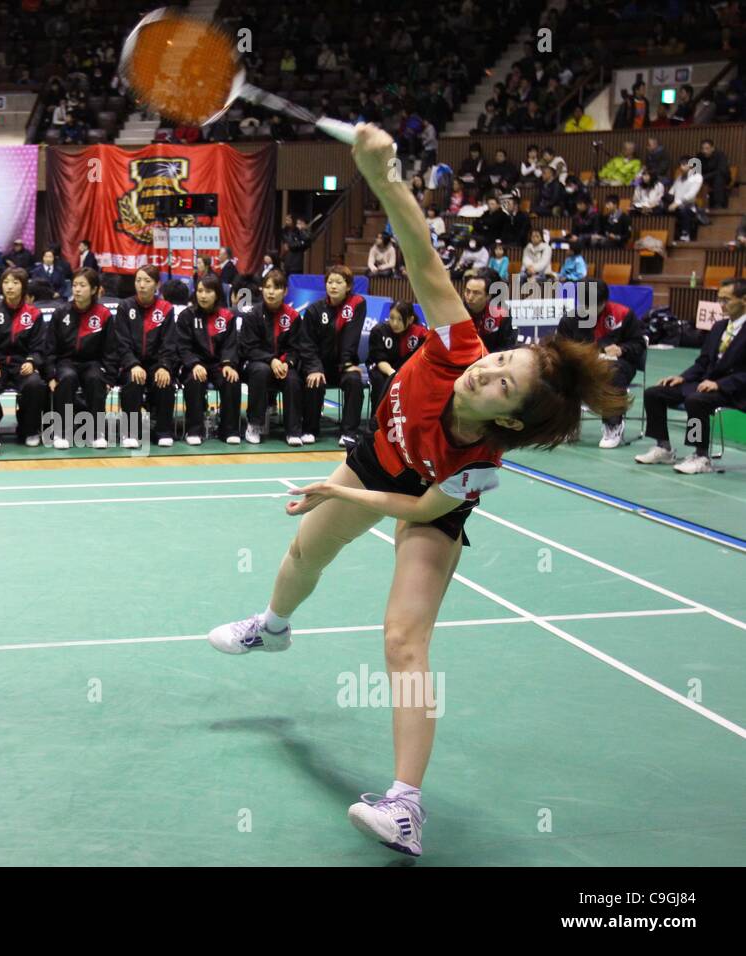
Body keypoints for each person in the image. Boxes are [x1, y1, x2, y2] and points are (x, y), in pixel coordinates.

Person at [206, 122, 626, 858]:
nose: (485, 371)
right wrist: (383, 174)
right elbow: (419, 247)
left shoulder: (482, 461)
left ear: (508, 417)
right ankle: (272, 627)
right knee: (304, 557)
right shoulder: (455, 343)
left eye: (501, 383)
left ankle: (404, 805)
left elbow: (418, 510)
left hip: (431, 496)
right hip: (380, 452)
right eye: (498, 359)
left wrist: (341, 496)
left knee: (405, 639)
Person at [634, 279, 746, 474]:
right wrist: (683, 377)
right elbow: (703, 362)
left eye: (726, 300)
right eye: (719, 299)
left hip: (734, 390)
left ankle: (701, 456)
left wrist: (719, 384)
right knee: (654, 393)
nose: (721, 305)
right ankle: (663, 447)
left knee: (696, 401)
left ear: (744, 300)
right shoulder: (719, 327)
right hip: (705, 384)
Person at [555, 280, 645, 449]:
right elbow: (560, 347)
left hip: (618, 365)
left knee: (612, 373)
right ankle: (568, 424)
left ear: (604, 302)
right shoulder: (570, 320)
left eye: (594, 306)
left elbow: (639, 344)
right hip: (584, 365)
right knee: (561, 373)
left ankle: (613, 425)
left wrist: (622, 349)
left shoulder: (623, 315)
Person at [0, 266, 49, 455]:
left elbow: (40, 347)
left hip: (21, 364)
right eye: (6, 282)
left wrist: (32, 362)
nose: (9, 286)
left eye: (15, 283)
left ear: (23, 287)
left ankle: (28, 430)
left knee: (35, 384)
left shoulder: (33, 315)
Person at [44, 266, 116, 449]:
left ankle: (96, 431)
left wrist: (109, 377)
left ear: (94, 290)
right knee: (67, 377)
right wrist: (51, 375)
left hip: (92, 362)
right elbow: (50, 348)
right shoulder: (61, 313)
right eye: (75, 285)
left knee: (95, 378)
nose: (77, 289)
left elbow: (111, 350)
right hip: (65, 362)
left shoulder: (104, 315)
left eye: (82, 285)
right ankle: (61, 432)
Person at [110, 265, 177, 448]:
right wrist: (132, 364)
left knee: (164, 380)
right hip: (132, 363)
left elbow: (169, 343)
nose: (141, 285)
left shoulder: (165, 309)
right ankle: (131, 432)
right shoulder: (125, 307)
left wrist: (164, 366)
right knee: (133, 379)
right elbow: (121, 342)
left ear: (156, 284)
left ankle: (163, 431)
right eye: (138, 280)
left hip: (157, 363)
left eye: (147, 281)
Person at [301, 265, 367, 447]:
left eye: (339, 282)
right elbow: (307, 344)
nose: (333, 286)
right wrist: (314, 368)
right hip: (320, 365)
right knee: (314, 380)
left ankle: (349, 433)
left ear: (348, 286)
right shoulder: (314, 310)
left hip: (343, 366)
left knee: (354, 381)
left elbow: (351, 336)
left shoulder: (357, 304)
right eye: (330, 282)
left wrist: (346, 363)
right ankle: (309, 429)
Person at [175, 273, 241, 445]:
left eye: (208, 291)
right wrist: (194, 363)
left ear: (217, 294)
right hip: (194, 365)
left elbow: (231, 344)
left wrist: (228, 363)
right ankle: (194, 430)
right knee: (195, 380)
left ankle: (229, 430)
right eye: (200, 291)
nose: (203, 295)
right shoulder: (186, 316)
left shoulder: (227, 316)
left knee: (231, 380)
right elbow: (182, 346)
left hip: (219, 364)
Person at [367, 299, 428, 415]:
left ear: (410, 320)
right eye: (391, 318)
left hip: (407, 371)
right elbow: (380, 360)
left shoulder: (420, 334)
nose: (394, 323)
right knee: (380, 381)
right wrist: (393, 374)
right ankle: (376, 421)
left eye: (400, 319)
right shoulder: (379, 331)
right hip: (382, 369)